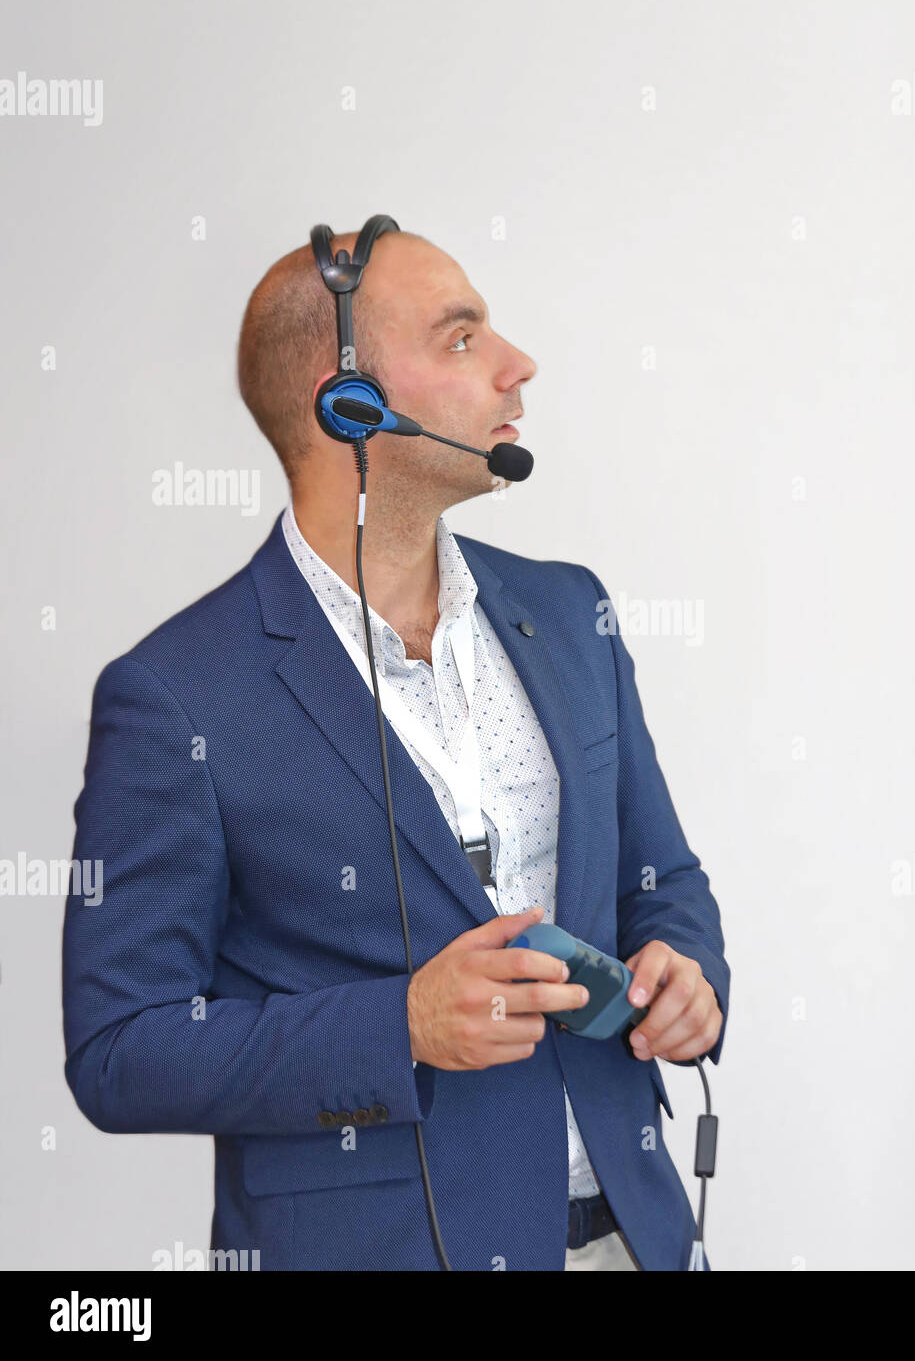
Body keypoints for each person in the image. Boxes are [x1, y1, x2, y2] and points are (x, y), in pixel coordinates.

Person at [61, 225, 729, 1271]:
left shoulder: (569, 610)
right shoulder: (175, 696)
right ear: (348, 401)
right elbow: (121, 1051)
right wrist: (399, 1026)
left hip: (633, 1239)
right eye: (462, 340)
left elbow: (664, 879)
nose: (517, 364)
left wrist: (689, 969)